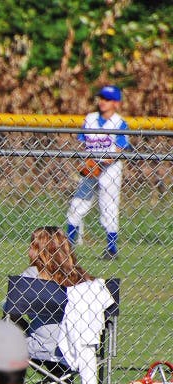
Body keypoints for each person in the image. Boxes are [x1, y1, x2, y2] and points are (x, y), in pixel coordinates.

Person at [14, 225, 112, 384]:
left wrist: (25, 327)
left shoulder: (31, 275)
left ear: (36, 249)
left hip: (40, 347)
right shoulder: (83, 278)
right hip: (77, 348)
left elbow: (13, 313)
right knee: (58, 366)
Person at [65, 85, 130, 260]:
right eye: (101, 98)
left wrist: (100, 165)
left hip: (111, 170)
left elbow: (120, 148)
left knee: (108, 208)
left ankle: (111, 249)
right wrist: (84, 162)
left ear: (116, 103)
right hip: (91, 166)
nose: (102, 102)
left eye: (107, 99)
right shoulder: (90, 118)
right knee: (77, 205)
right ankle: (67, 247)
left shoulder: (119, 122)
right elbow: (81, 142)